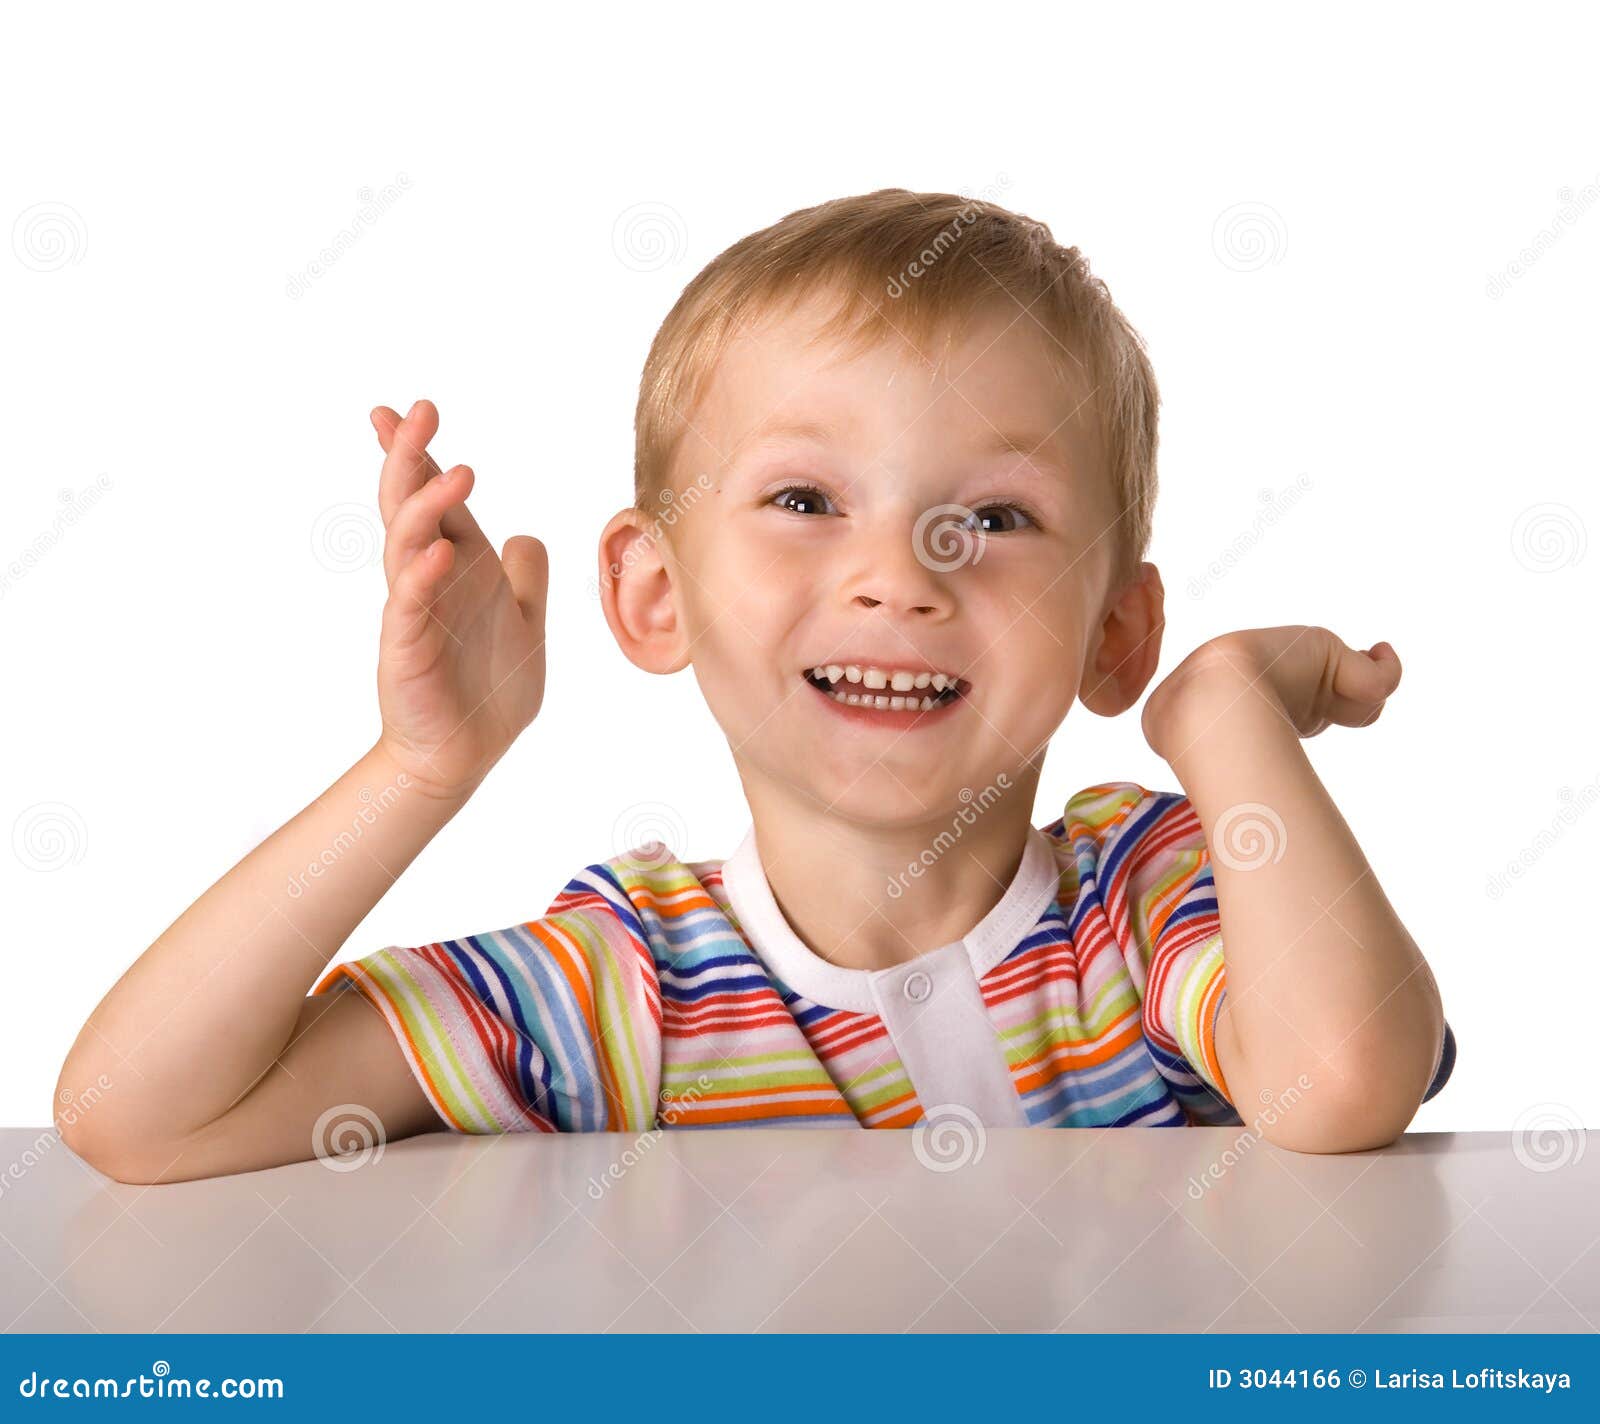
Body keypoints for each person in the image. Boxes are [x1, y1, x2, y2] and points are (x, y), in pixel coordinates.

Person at [55, 189, 1453, 1182]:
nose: (902, 573)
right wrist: (423, 768)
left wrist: (1226, 718)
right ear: (656, 596)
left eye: (1000, 518)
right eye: (804, 497)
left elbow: (1338, 1082)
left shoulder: (1153, 906)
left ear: (1112, 637)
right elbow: (138, 1115)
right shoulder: (629, 987)